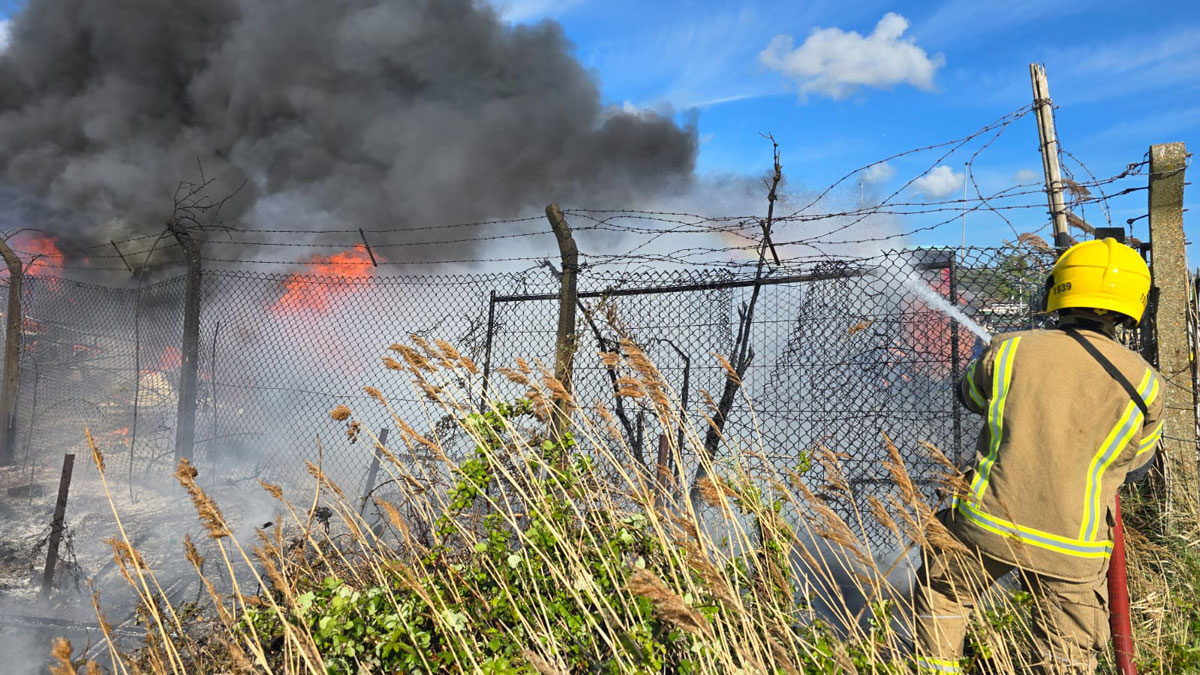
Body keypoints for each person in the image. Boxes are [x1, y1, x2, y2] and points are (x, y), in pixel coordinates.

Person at [911, 238, 1163, 674]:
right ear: (1133, 302)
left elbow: (969, 394)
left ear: (1057, 289)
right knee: (1067, 653)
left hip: (986, 524)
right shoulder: (1146, 384)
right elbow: (1136, 464)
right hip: (1074, 546)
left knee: (944, 593)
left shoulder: (1009, 348)